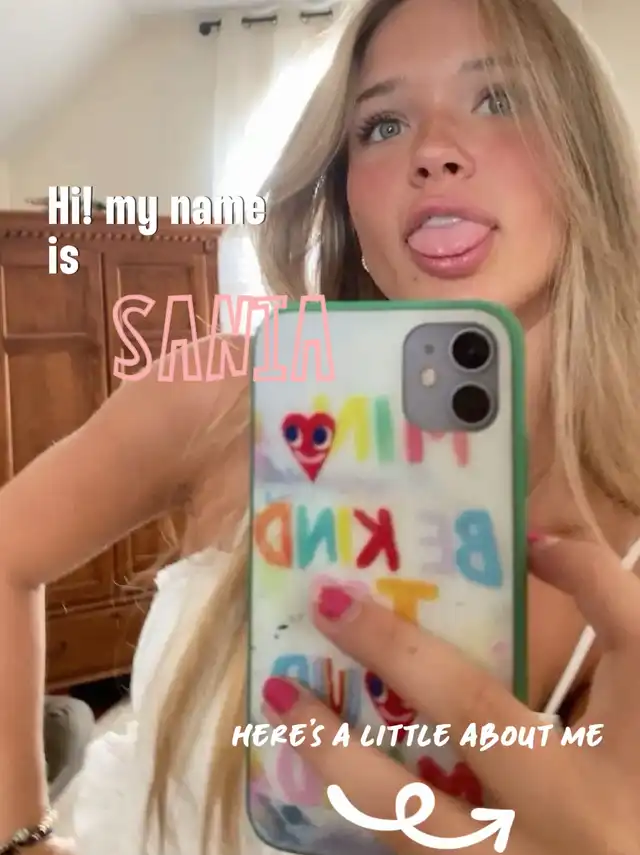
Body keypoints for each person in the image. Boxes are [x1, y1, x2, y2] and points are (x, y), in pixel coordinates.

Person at [1, 0, 640, 853]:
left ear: (588, 157)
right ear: (346, 204)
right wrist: (18, 832)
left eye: (499, 99)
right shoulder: (230, 390)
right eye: (382, 124)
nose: (433, 150)